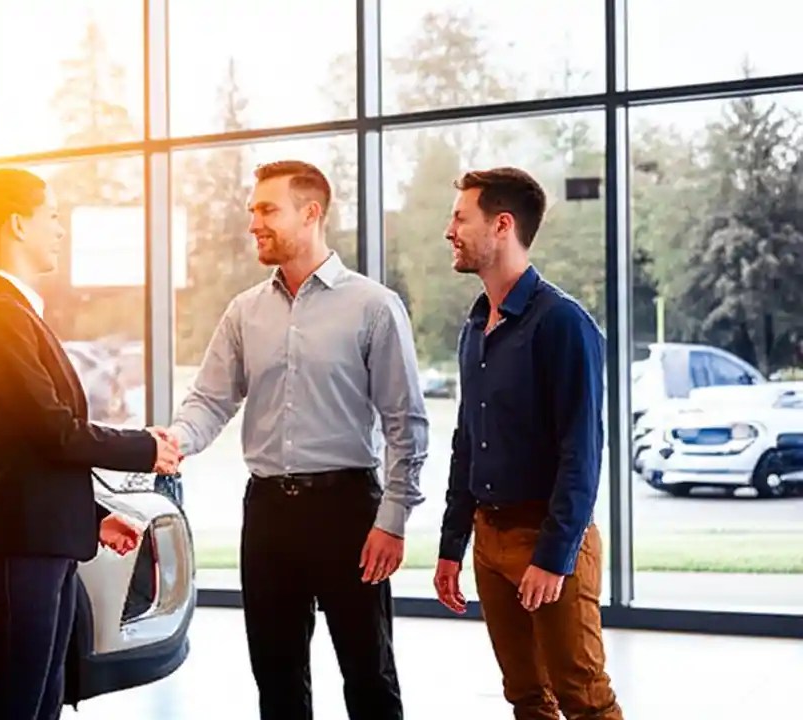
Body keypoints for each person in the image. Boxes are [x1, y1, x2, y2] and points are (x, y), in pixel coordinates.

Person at [161, 160, 429, 720]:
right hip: (267, 517)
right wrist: (174, 441)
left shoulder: (374, 307)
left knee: (369, 674)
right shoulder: (244, 312)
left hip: (350, 512)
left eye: (266, 210)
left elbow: (405, 422)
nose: (253, 223)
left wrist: (393, 519)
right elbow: (210, 401)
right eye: (252, 210)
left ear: (311, 214)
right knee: (277, 678)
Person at [0, 167, 182, 720]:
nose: (59, 229)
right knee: (18, 704)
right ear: (16, 225)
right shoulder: (0, 317)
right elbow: (52, 432)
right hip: (23, 545)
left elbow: (36, 451)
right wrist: (144, 448)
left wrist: (92, 516)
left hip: (41, 540)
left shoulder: (17, 314)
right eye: (51, 216)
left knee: (41, 702)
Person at [433, 167, 624, 719]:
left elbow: (582, 454)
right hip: (490, 539)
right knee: (525, 697)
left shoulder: (562, 323)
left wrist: (554, 557)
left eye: (460, 217)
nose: (450, 230)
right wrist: (453, 544)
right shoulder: (475, 328)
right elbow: (467, 441)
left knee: (583, 697)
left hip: (549, 537)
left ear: (502, 225)